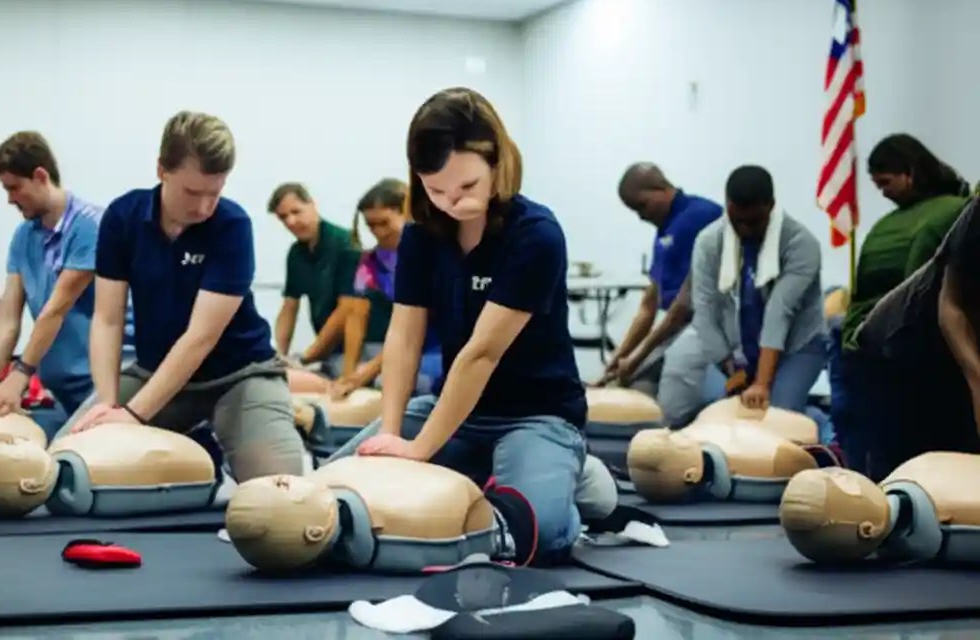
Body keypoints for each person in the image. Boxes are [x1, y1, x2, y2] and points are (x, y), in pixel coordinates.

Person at [334, 87, 588, 567]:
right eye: (435, 190)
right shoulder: (421, 233)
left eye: (467, 187)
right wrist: (393, 439)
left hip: (537, 414)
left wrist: (419, 451)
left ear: (497, 161)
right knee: (336, 484)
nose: (452, 202)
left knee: (541, 535)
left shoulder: (536, 235)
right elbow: (404, 336)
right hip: (456, 412)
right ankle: (476, 470)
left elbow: (480, 355)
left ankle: (575, 478)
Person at [64, 110, 305, 482]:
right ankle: (202, 448)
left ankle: (292, 420)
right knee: (67, 462)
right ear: (161, 170)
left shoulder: (231, 226)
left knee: (280, 499)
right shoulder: (123, 218)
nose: (204, 207)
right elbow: (107, 319)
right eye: (193, 192)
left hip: (239, 376)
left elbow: (200, 337)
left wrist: (133, 417)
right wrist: (110, 404)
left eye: (215, 192)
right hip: (156, 372)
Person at [830, 134, 971, 472]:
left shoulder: (941, 215)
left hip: (887, 339)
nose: (884, 193)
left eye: (886, 183)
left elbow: (918, 285)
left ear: (910, 171)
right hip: (888, 335)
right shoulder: (941, 212)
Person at [677, 165, 827, 421]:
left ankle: (817, 422)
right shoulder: (709, 242)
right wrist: (731, 369)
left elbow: (779, 311)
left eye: (754, 222)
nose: (745, 229)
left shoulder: (802, 244)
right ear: (728, 206)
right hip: (734, 349)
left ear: (771, 205)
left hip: (798, 346)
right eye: (738, 221)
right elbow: (704, 310)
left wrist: (761, 384)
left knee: (778, 417)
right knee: (722, 414)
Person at [848, 188, 979, 479]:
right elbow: (953, 306)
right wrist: (977, 379)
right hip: (901, 343)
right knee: (908, 482)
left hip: (952, 351)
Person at [0, 132, 101, 428]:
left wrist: (20, 375)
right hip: (62, 390)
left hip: (104, 386)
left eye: (14, 188)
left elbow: (56, 309)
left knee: (64, 455)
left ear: (40, 176)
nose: (9, 199)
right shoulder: (24, 236)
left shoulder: (90, 227)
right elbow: (7, 316)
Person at [294, 178, 443, 398]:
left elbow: (412, 329)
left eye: (385, 223)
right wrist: (348, 375)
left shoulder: (430, 257)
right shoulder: (371, 262)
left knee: (391, 379)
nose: (379, 232)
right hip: (396, 346)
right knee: (337, 366)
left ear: (406, 215)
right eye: (371, 225)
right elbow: (355, 315)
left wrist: (366, 373)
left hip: (433, 347)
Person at [596, 164, 722, 394]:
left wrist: (636, 359)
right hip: (678, 325)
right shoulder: (665, 229)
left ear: (660, 188)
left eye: (642, 206)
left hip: (705, 325)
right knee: (625, 380)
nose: (641, 216)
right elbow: (648, 306)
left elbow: (682, 308)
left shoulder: (701, 216)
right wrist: (619, 356)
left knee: (644, 386)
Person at [268, 182, 362, 381]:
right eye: (284, 217)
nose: (291, 221)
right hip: (328, 351)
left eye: (296, 211)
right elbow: (289, 307)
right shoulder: (296, 253)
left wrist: (307, 357)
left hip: (362, 347)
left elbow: (346, 310)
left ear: (312, 204)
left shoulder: (346, 244)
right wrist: (279, 356)